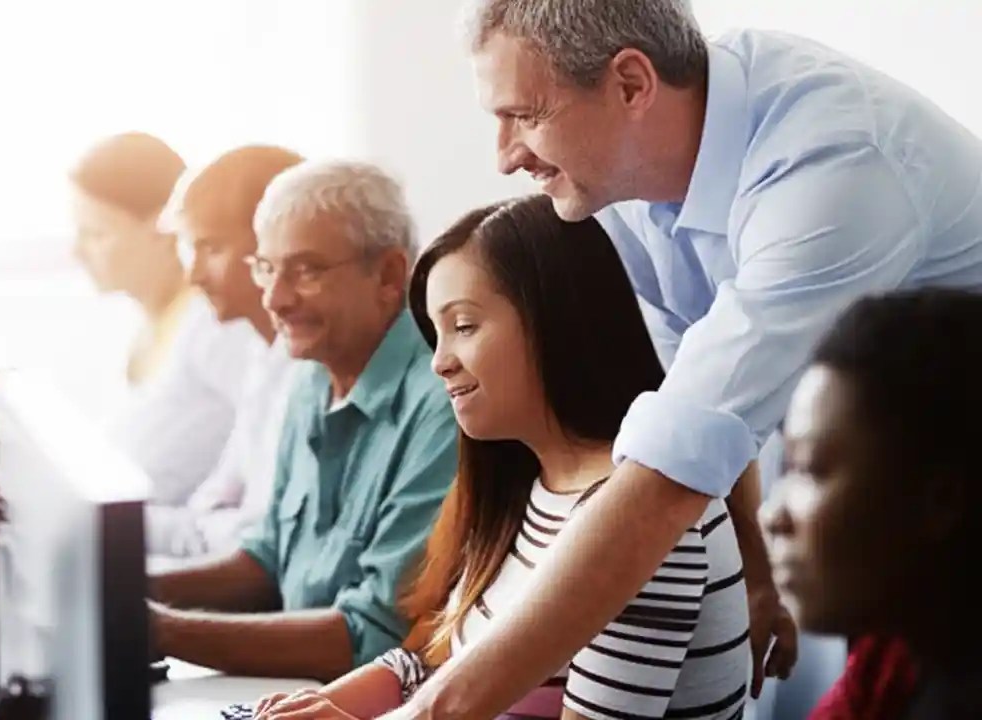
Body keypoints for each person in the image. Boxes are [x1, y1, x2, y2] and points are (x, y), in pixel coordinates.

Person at [389, 1, 982, 715]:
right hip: (904, 525)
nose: (506, 155)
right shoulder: (625, 174)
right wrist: (757, 575)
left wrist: (430, 711)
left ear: (632, 84)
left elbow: (671, 471)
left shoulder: (835, 165)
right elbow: (694, 407)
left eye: (525, 115)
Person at [255, 196, 751, 720]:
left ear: (557, 318)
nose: (440, 363)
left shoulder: (645, 524)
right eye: (435, 333)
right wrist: (318, 707)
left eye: (464, 326)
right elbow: (428, 662)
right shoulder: (527, 485)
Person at [148, 161, 458, 681]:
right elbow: (267, 560)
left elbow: (372, 637)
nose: (275, 298)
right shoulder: (310, 377)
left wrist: (162, 631)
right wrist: (130, 592)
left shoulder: (441, 406)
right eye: (266, 268)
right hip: (296, 689)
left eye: (306, 270)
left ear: (387, 274)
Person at [762, 289, 982, 720]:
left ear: (941, 500)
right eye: (785, 468)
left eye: (807, 469)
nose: (773, 516)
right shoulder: (892, 659)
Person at [69, 131, 256, 506]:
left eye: (96, 234)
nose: (77, 252)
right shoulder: (151, 326)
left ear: (163, 227)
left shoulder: (219, 327)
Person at [146, 144, 305, 558]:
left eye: (212, 248)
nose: (194, 275)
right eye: (190, 248)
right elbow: (213, 505)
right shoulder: (264, 354)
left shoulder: (308, 374)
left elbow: (253, 544)